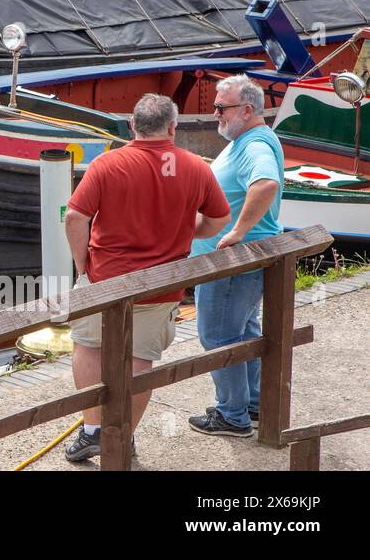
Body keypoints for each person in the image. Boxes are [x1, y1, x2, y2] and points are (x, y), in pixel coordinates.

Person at [62, 93, 231, 464]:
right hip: (161, 285)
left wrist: (81, 267)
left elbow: (75, 217)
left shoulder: (108, 164)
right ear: (173, 127)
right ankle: (123, 436)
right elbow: (219, 219)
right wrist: (189, 231)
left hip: (105, 280)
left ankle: (92, 431)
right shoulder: (196, 167)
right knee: (140, 360)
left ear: (133, 126)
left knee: (90, 347)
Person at [188, 75, 283, 438]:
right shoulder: (248, 138)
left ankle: (232, 416)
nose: (214, 113)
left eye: (221, 108)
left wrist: (237, 231)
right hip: (243, 262)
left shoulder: (255, 144)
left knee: (218, 337)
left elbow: (266, 183)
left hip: (231, 264)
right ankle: (252, 403)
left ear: (246, 109)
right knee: (244, 331)